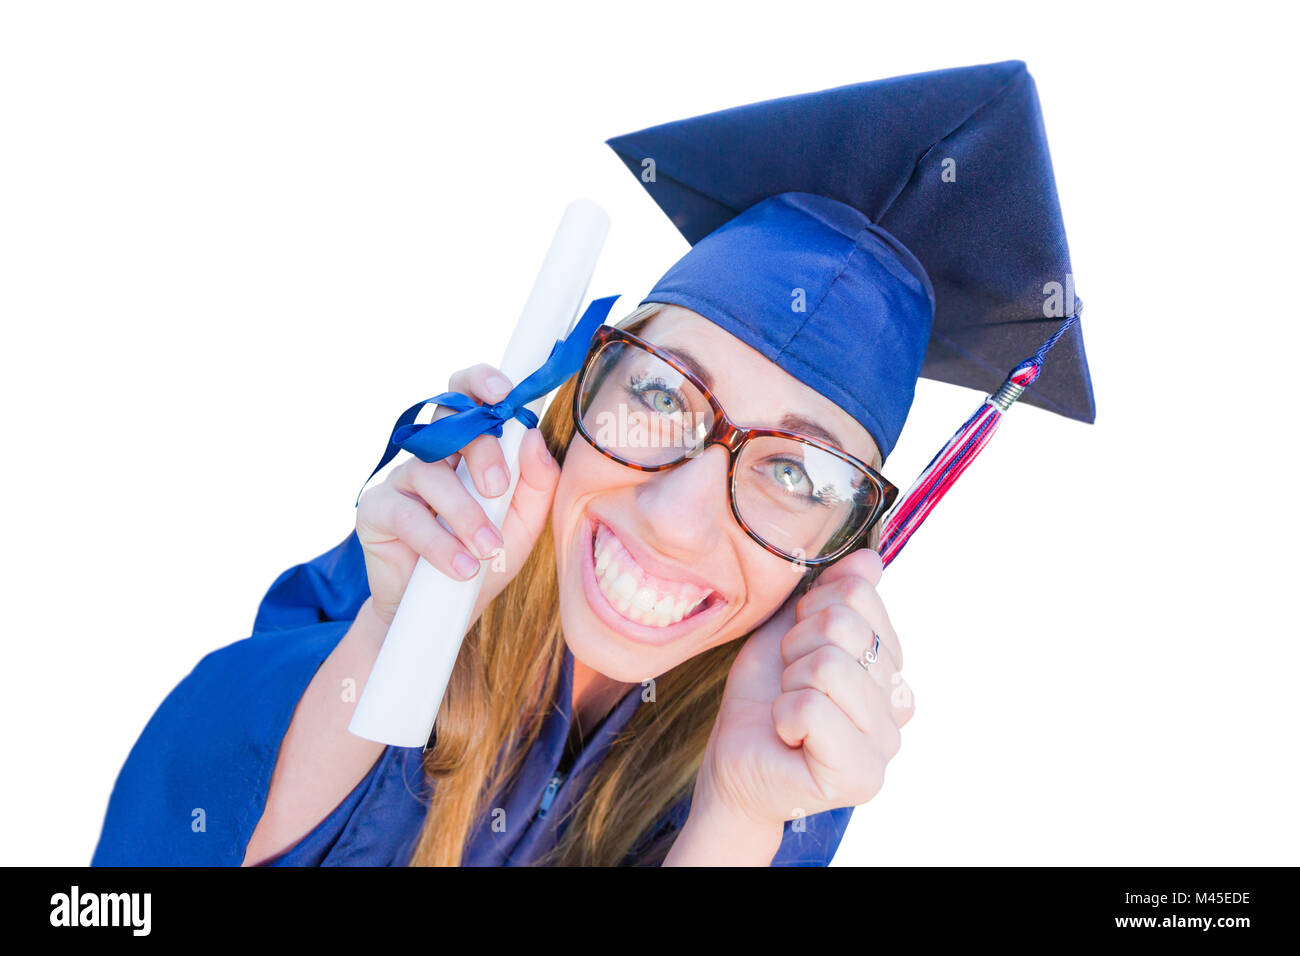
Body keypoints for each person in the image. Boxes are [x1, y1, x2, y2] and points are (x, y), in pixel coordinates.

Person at [91, 59, 1093, 867]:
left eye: (798, 474)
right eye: (660, 394)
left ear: (841, 552)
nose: (677, 514)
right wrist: (394, 636)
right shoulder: (410, 567)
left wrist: (738, 813)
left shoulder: (790, 761)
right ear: (576, 388)